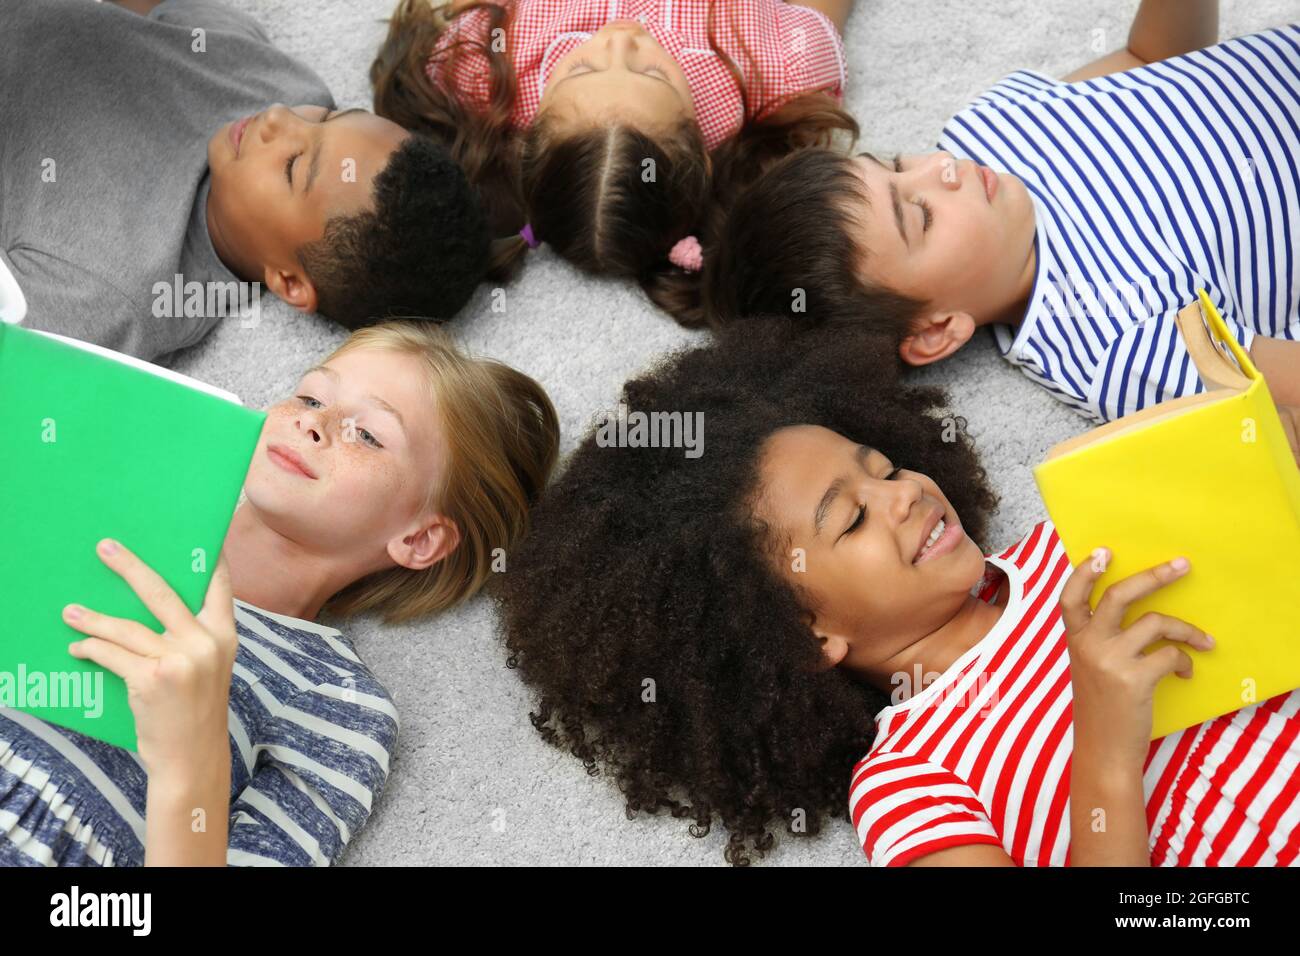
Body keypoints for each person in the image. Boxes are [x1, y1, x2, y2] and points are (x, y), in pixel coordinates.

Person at [495, 317, 1298, 866]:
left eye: (882, 466)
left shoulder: (1074, 541)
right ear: (804, 634)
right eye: (850, 520)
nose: (903, 492)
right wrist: (1107, 737)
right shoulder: (908, 778)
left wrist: (1255, 443)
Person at [1, 320, 559, 865]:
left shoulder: (337, 703)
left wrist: (189, 762)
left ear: (419, 537)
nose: (314, 424)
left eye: (367, 435)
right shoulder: (95, 506)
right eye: (311, 398)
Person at [698, 2, 1300, 423]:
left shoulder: (987, 130)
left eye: (899, 163)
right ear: (937, 330)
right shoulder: (1109, 345)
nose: (942, 170)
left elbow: (1151, 57)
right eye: (921, 216)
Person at [0, 0, 491, 362]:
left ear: (289, 282)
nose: (278, 117)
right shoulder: (279, 86)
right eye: (325, 116)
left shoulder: (115, 296)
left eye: (293, 166)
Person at [371, 0, 856, 323]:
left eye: (580, 69)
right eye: (653, 74)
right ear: (703, 153)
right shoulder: (773, 69)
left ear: (528, 137)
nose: (620, 39)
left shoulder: (484, 69)